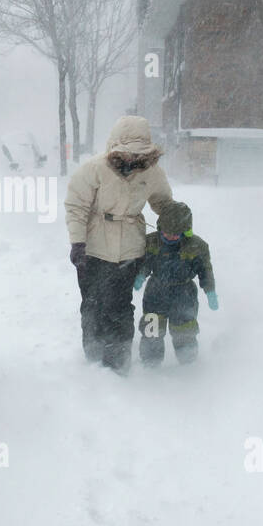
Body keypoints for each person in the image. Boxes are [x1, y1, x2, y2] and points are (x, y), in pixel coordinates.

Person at [64, 115, 172, 373]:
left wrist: (175, 223)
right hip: (92, 250)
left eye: (139, 155)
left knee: (119, 306)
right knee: (92, 303)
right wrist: (77, 243)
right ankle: (92, 354)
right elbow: (76, 207)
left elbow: (164, 203)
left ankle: (117, 362)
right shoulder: (93, 170)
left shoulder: (152, 172)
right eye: (127, 154)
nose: (133, 160)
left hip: (129, 250)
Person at [134, 201, 217, 366]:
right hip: (156, 293)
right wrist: (140, 275)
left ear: (185, 231)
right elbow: (145, 263)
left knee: (185, 328)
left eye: (175, 234)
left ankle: (188, 361)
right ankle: (151, 362)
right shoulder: (151, 242)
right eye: (166, 233)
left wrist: (210, 291)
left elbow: (205, 270)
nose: (170, 237)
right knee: (152, 329)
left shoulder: (196, 246)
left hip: (184, 293)